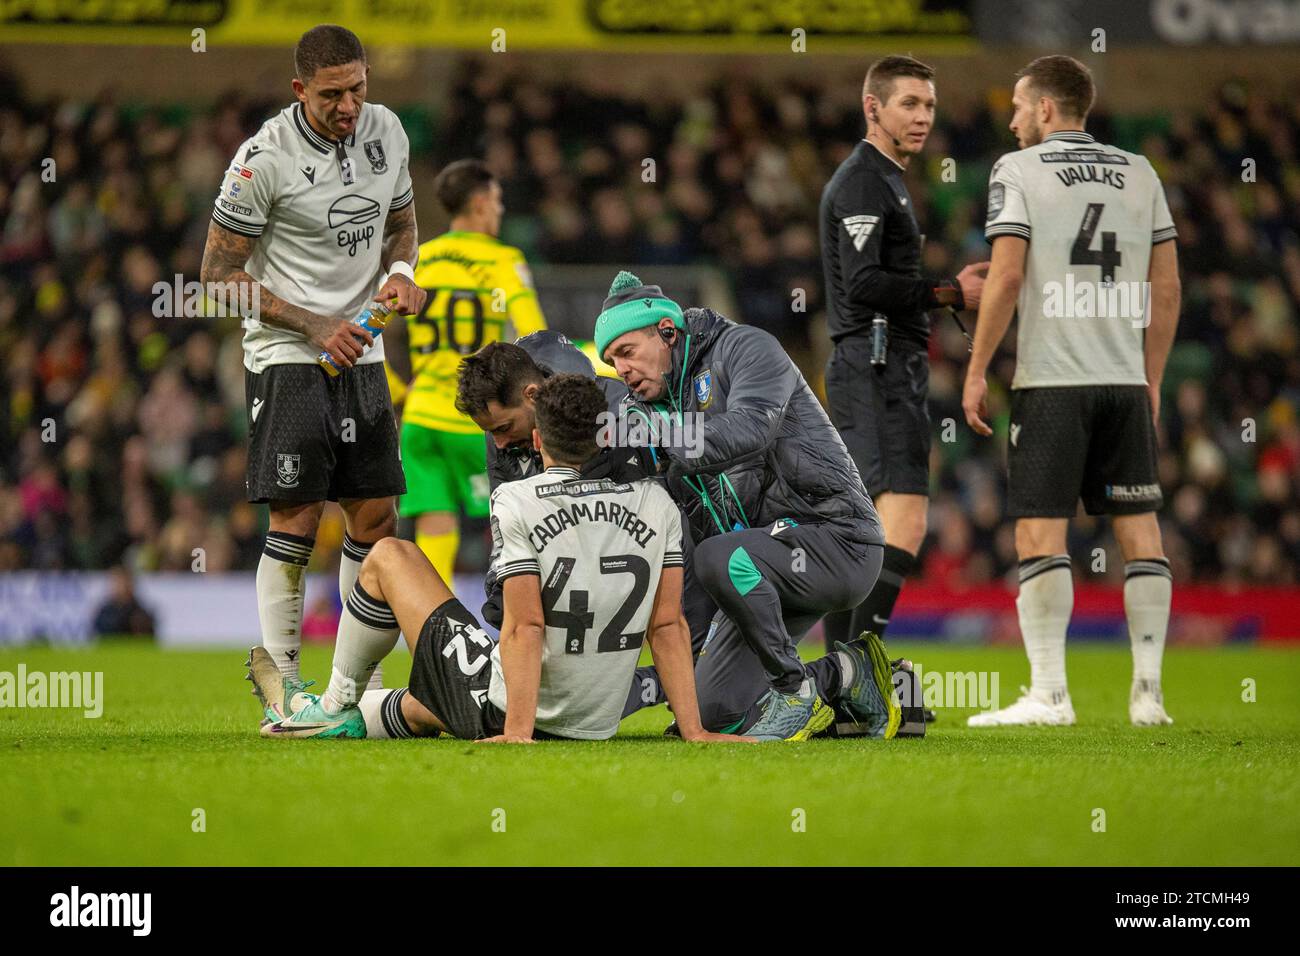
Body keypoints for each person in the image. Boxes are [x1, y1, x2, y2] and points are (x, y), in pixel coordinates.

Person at [257, 375, 743, 744]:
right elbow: (668, 627)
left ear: (537, 440)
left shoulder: (518, 499)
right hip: (598, 720)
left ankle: (334, 705)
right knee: (425, 704)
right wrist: (694, 729)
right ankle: (340, 718)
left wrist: (518, 731)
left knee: (389, 554)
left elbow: (524, 627)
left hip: (519, 710)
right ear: (605, 438)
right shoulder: (655, 504)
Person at [201, 25, 425, 715]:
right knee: (296, 518)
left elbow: (403, 225)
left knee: (377, 517)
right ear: (300, 91)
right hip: (290, 354)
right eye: (333, 95)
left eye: (358, 88)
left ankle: (354, 686)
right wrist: (313, 324)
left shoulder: (387, 131)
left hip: (363, 349)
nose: (350, 106)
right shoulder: (262, 158)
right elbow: (216, 276)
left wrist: (400, 273)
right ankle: (286, 691)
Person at [961, 55, 1181, 727]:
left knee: (1039, 531)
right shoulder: (1140, 172)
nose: (1012, 118)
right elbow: (1166, 287)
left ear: (1047, 110)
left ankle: (1049, 695)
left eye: (1020, 106)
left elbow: (1004, 277)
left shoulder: (1017, 169)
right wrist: (1154, 377)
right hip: (1122, 380)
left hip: (1053, 381)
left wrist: (975, 368)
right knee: (1142, 532)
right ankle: (1148, 696)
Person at [596, 271, 901, 741]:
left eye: (627, 352)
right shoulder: (657, 408)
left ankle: (794, 691)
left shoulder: (746, 347)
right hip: (757, 565)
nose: (622, 369)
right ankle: (850, 672)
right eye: (612, 361)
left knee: (717, 553)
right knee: (708, 709)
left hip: (838, 540)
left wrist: (659, 434)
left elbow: (750, 429)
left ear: (667, 332)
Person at [819, 55, 986, 655]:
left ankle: (847, 678)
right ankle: (855, 672)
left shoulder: (886, 178)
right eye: (908, 104)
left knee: (872, 529)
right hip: (875, 364)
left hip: (886, 365)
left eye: (930, 106)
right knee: (902, 519)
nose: (922, 118)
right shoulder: (864, 180)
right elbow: (863, 283)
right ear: (873, 107)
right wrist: (950, 294)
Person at [385, 159, 546, 584]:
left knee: (435, 525)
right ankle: (513, 615)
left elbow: (365, 328)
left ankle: (433, 628)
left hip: (419, 419)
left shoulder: (419, 259)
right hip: (478, 415)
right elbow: (535, 335)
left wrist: (398, 390)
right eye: (496, 201)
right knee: (506, 521)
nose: (500, 211)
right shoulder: (503, 260)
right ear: (478, 204)